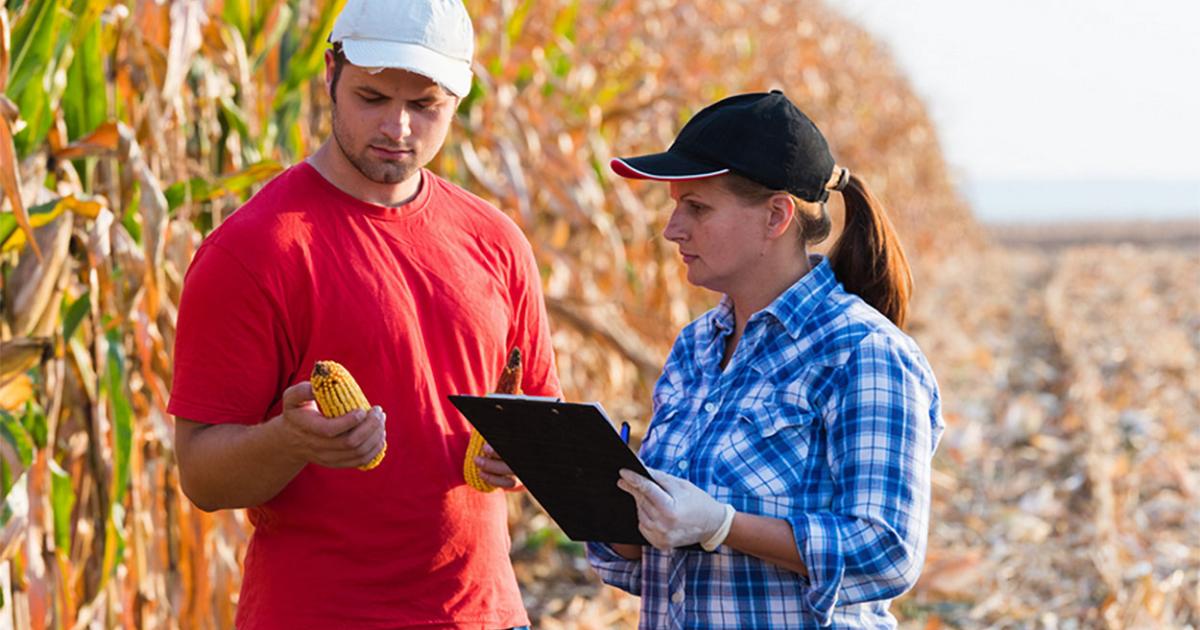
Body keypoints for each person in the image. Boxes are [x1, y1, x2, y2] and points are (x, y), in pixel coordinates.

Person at [168, 0, 558, 628]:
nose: (398, 128)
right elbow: (202, 477)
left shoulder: (498, 241)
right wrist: (290, 439)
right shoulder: (253, 251)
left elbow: (540, 419)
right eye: (372, 97)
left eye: (424, 106)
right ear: (330, 73)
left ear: (459, 98)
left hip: (483, 613)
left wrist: (521, 458)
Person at [587, 91, 945, 628]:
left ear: (776, 215)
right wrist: (593, 491)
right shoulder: (695, 347)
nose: (672, 229)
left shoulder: (864, 353)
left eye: (697, 207)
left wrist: (722, 524)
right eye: (675, 205)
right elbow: (652, 562)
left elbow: (886, 550)